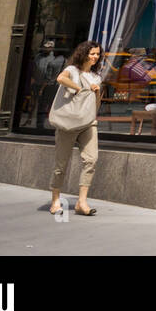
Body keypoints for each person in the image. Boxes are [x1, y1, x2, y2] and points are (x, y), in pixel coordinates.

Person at [50, 40, 103, 217]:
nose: (95, 57)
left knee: (91, 160)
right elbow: (60, 78)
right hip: (69, 122)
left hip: (88, 122)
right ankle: (55, 200)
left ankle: (82, 202)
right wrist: (80, 88)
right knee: (61, 164)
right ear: (84, 53)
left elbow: (96, 105)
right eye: (92, 53)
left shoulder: (97, 77)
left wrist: (96, 92)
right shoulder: (73, 70)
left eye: (97, 54)